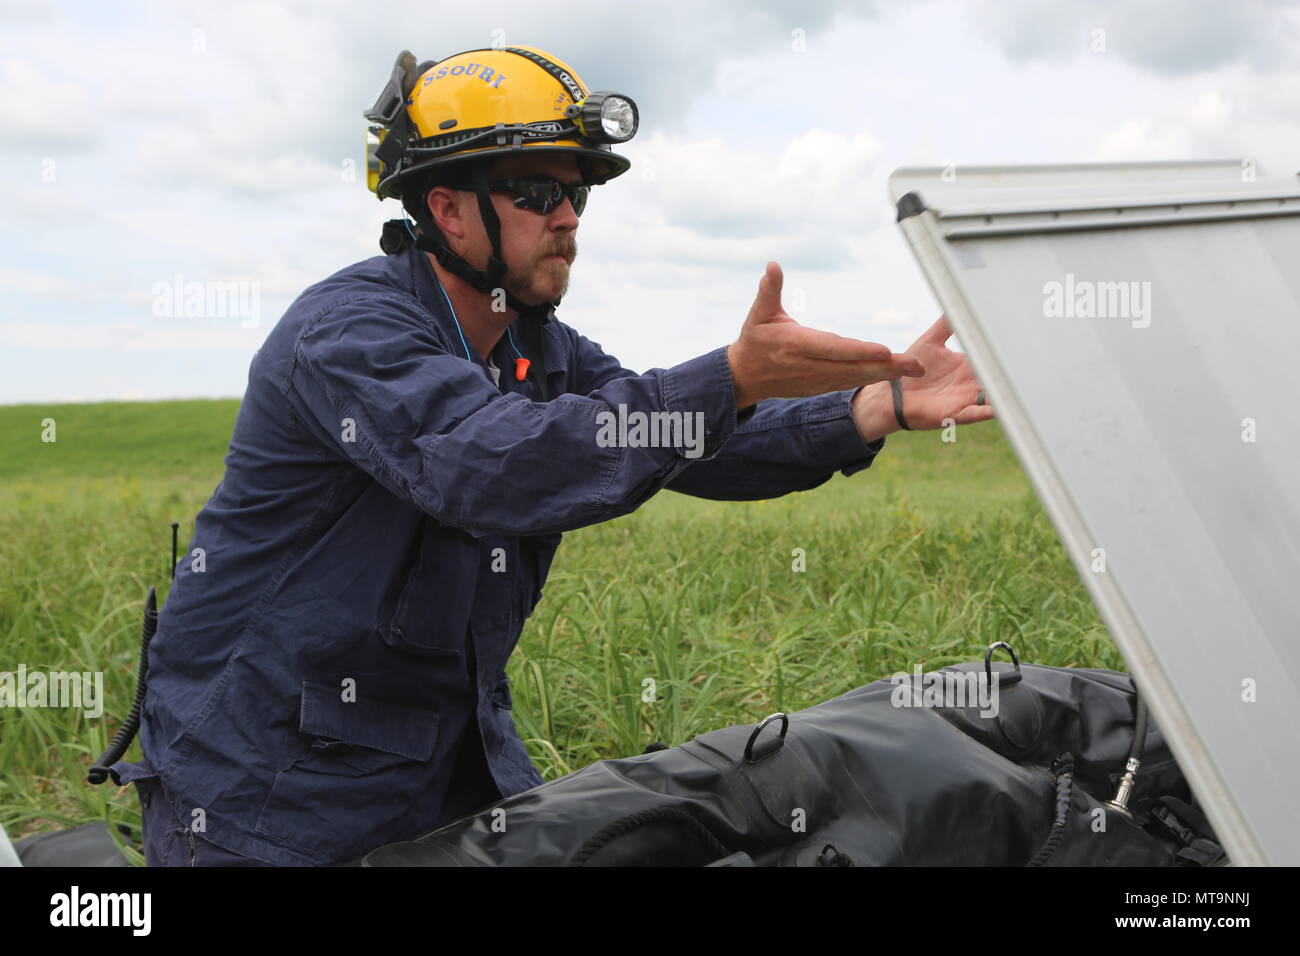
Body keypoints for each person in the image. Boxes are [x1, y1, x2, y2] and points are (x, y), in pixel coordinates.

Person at [109, 44, 994, 866]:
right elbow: (491, 464)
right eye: (534, 191)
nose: (567, 217)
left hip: (441, 757)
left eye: (578, 193)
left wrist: (878, 407)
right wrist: (728, 375)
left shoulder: (539, 350)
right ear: (446, 209)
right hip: (267, 790)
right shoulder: (350, 334)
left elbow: (679, 440)